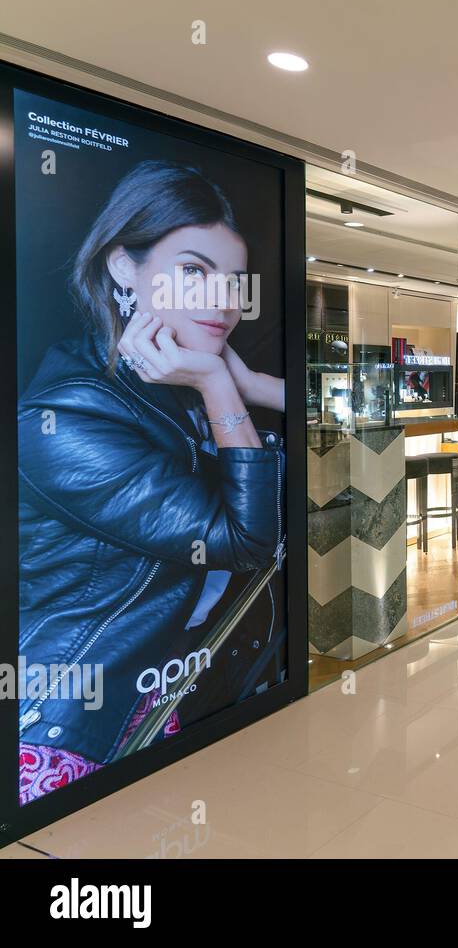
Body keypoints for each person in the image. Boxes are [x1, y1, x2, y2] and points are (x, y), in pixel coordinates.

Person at [17, 161, 285, 804]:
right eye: (194, 271)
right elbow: (248, 539)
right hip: (68, 727)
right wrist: (223, 385)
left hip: (156, 698)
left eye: (231, 279)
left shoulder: (175, 387)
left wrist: (243, 386)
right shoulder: (69, 418)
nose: (223, 302)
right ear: (122, 269)